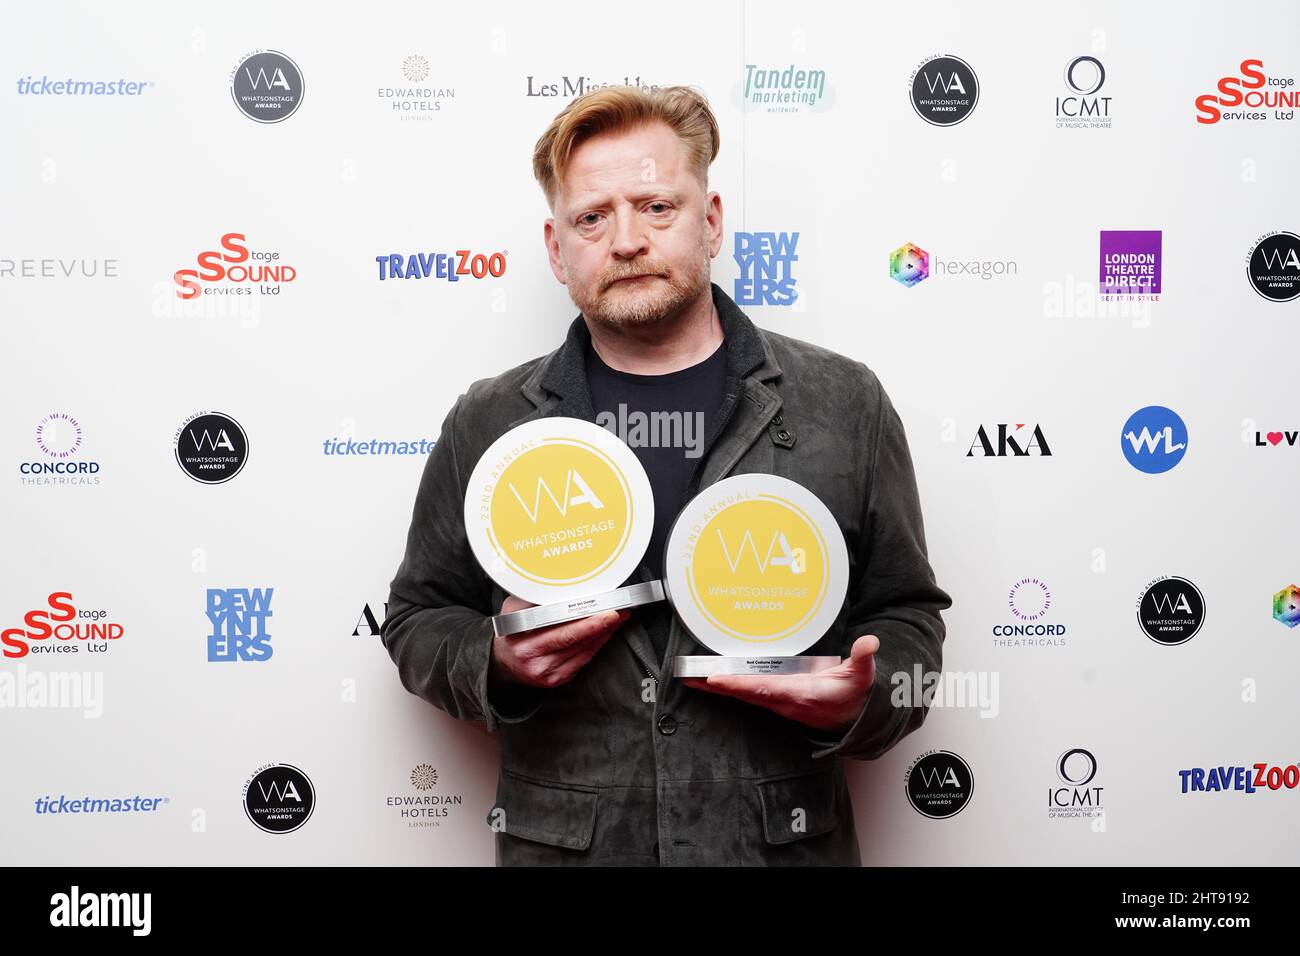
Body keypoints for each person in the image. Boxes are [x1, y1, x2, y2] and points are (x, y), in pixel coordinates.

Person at [381, 84, 952, 865]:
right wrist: (495, 659)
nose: (626, 241)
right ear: (556, 248)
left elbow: (908, 615)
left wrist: (870, 692)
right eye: (592, 217)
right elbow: (417, 617)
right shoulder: (491, 421)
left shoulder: (843, 402)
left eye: (656, 207)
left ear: (709, 222)